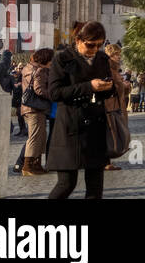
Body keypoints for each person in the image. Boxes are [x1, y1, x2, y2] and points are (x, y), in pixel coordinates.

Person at [47, 22, 116, 199]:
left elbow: (108, 90)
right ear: (78, 40)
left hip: (95, 125)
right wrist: (89, 86)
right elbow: (54, 93)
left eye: (100, 45)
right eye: (90, 45)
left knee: (95, 187)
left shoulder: (102, 59)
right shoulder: (62, 59)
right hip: (70, 125)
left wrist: (109, 87)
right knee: (66, 184)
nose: (95, 49)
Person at [20, 48, 54, 177]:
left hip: (29, 107)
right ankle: (28, 166)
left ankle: (36, 164)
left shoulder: (28, 67)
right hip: (35, 108)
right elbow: (39, 89)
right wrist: (52, 95)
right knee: (35, 137)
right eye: (51, 59)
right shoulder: (39, 70)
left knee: (40, 136)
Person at [103, 44, 131, 172]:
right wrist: (122, 86)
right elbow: (108, 87)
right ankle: (105, 161)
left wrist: (125, 87)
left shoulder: (114, 69)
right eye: (116, 55)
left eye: (119, 54)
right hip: (110, 106)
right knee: (112, 134)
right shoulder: (107, 69)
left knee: (114, 134)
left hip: (116, 105)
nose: (119, 57)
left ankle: (107, 161)